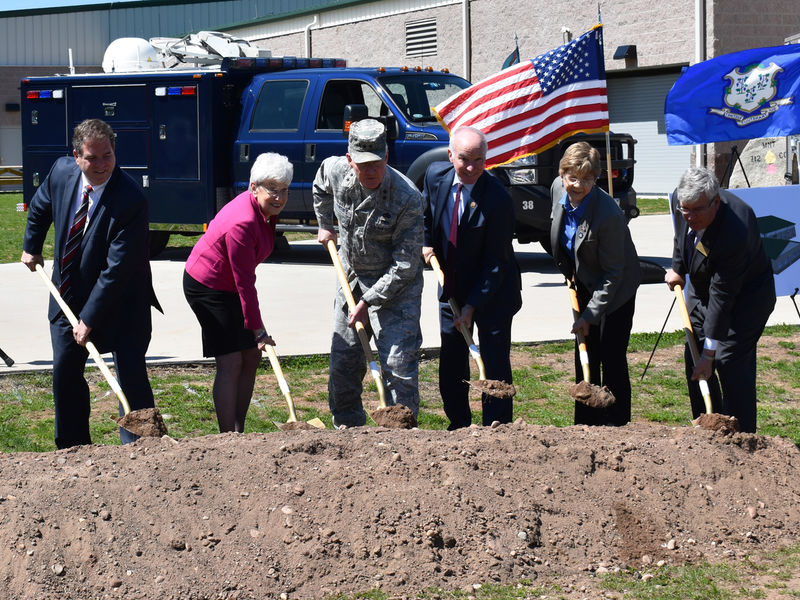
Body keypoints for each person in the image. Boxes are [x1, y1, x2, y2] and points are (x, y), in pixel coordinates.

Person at [21, 118, 161, 448]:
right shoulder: (61, 172)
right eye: (92, 158)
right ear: (76, 156)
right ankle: (72, 447)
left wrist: (90, 319)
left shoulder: (130, 200)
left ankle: (142, 448)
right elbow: (41, 206)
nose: (101, 165)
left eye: (107, 156)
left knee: (130, 375)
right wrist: (31, 246)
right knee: (65, 372)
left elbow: (117, 270)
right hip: (67, 294)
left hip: (122, 301)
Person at [313, 118, 424, 428]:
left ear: (387, 157)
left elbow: (405, 265)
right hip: (351, 278)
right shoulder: (337, 171)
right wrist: (325, 224)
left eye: (377, 162)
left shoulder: (407, 198)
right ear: (350, 160)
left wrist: (369, 302)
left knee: (397, 365)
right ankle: (348, 428)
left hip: (396, 290)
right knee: (343, 361)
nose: (371, 170)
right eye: (363, 164)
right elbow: (321, 184)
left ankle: (401, 432)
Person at [183, 152, 293, 433]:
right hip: (207, 286)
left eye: (284, 190)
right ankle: (228, 436)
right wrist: (257, 329)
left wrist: (255, 328)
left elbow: (242, 281)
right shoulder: (242, 222)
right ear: (254, 187)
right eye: (272, 190)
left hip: (229, 283)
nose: (279, 197)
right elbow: (244, 282)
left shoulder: (264, 211)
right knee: (231, 359)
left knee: (252, 355)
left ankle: (239, 429)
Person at [422, 126, 521, 429]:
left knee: (493, 361)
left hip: (494, 291)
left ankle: (497, 426)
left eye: (479, 160)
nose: (471, 167)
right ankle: (459, 423)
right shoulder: (435, 176)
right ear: (450, 155)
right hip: (451, 284)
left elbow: (497, 261)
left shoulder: (497, 198)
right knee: (452, 356)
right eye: (464, 159)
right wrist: (426, 243)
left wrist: (473, 305)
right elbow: (426, 214)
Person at [664, 166, 775, 433]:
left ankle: (741, 435)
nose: (689, 216)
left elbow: (722, 296)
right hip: (703, 290)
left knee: (728, 361)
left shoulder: (736, 226)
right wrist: (678, 268)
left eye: (696, 210)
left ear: (715, 202)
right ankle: (706, 428)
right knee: (695, 354)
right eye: (684, 209)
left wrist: (711, 353)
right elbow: (683, 237)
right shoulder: (686, 201)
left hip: (746, 299)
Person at [550, 142, 640, 426]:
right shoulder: (557, 190)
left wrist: (590, 314)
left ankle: (616, 425)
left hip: (616, 291)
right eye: (572, 177)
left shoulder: (608, 215)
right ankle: (586, 425)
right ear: (562, 174)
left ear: (597, 178)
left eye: (587, 179)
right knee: (585, 355)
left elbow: (614, 273)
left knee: (611, 358)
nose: (578, 185)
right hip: (585, 283)